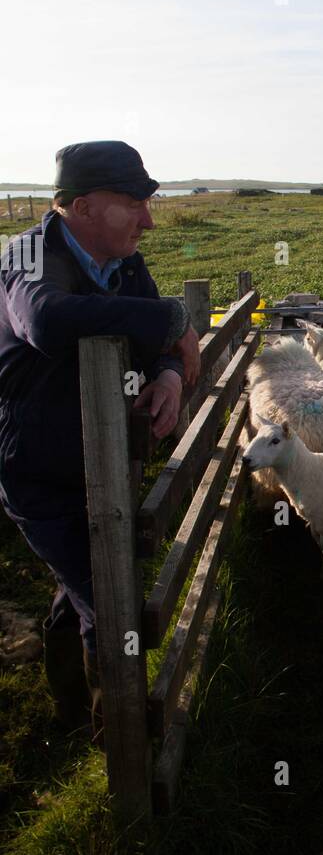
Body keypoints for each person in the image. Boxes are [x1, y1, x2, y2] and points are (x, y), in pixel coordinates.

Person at [0, 141, 201, 743]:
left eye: (150, 203)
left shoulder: (122, 263)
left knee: (87, 579)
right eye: (134, 204)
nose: (149, 220)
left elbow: (153, 333)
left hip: (102, 459)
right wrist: (172, 321)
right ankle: (118, 741)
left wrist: (166, 369)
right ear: (81, 206)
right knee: (109, 601)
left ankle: (66, 698)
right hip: (35, 468)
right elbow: (47, 322)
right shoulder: (31, 253)